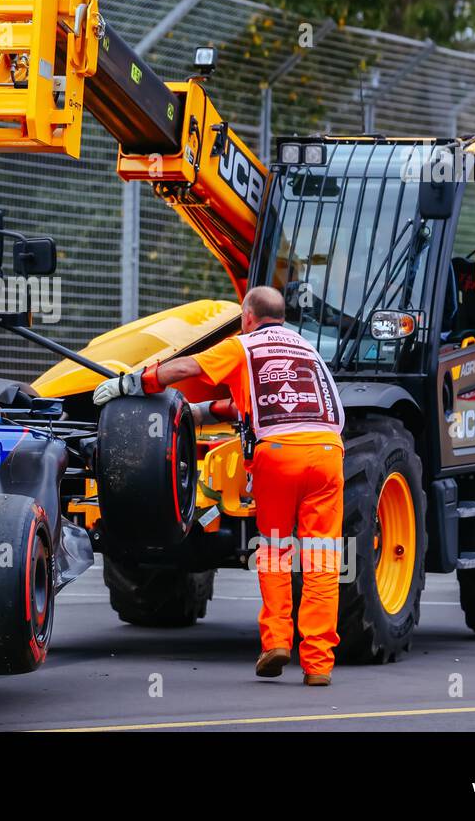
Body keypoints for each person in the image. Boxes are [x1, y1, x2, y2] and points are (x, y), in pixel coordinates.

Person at [94, 285, 345, 685]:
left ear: (247, 316)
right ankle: (318, 665)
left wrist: (136, 382)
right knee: (320, 560)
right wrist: (205, 411)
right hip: (329, 455)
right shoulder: (308, 351)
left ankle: (277, 641)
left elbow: (187, 369)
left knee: (277, 551)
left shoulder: (243, 346)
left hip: (278, 454)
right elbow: (264, 400)